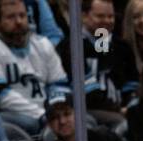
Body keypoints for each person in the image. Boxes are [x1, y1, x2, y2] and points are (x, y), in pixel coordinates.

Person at [0, 0, 68, 136]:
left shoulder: (43, 44)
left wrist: (57, 113)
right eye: (11, 17)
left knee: (84, 121)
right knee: (31, 124)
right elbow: (1, 96)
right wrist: (41, 115)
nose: (18, 21)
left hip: (47, 113)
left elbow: (59, 84)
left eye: (22, 16)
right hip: (11, 114)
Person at [57, 0, 136, 134]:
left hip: (120, 110)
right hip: (86, 111)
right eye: (100, 16)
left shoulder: (122, 47)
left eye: (110, 16)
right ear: (84, 16)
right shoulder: (70, 46)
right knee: (122, 124)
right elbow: (88, 95)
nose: (106, 21)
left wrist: (131, 107)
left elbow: (132, 85)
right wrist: (119, 110)